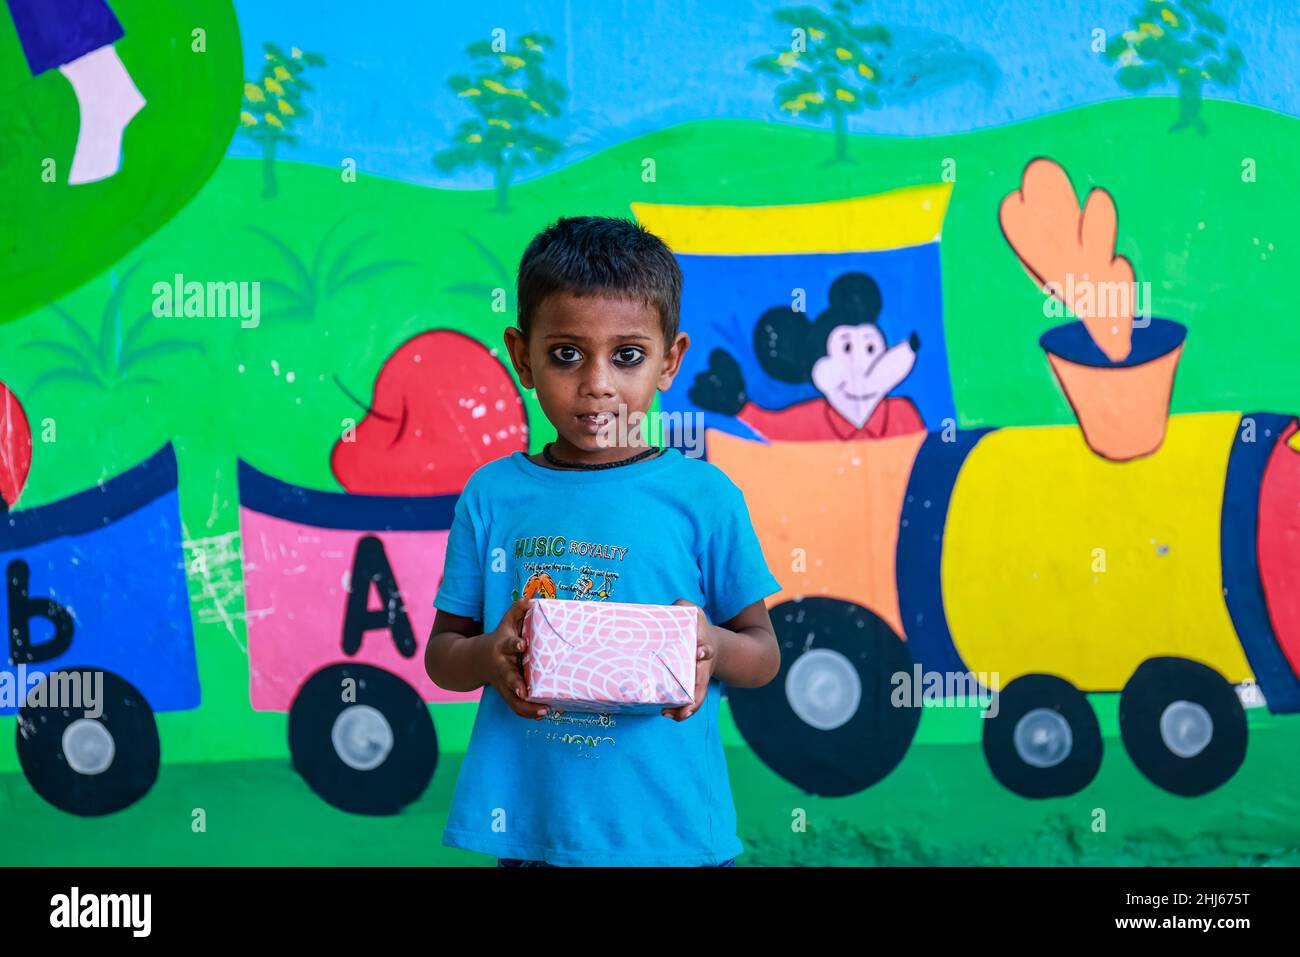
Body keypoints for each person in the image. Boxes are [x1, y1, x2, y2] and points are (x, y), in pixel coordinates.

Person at [425, 215, 782, 867]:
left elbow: (762, 654)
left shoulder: (704, 496)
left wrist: (710, 643)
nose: (597, 383)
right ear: (522, 356)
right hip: (537, 837)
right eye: (566, 353)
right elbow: (443, 654)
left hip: (673, 838)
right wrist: (487, 656)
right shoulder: (493, 494)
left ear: (669, 360)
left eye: (627, 355)